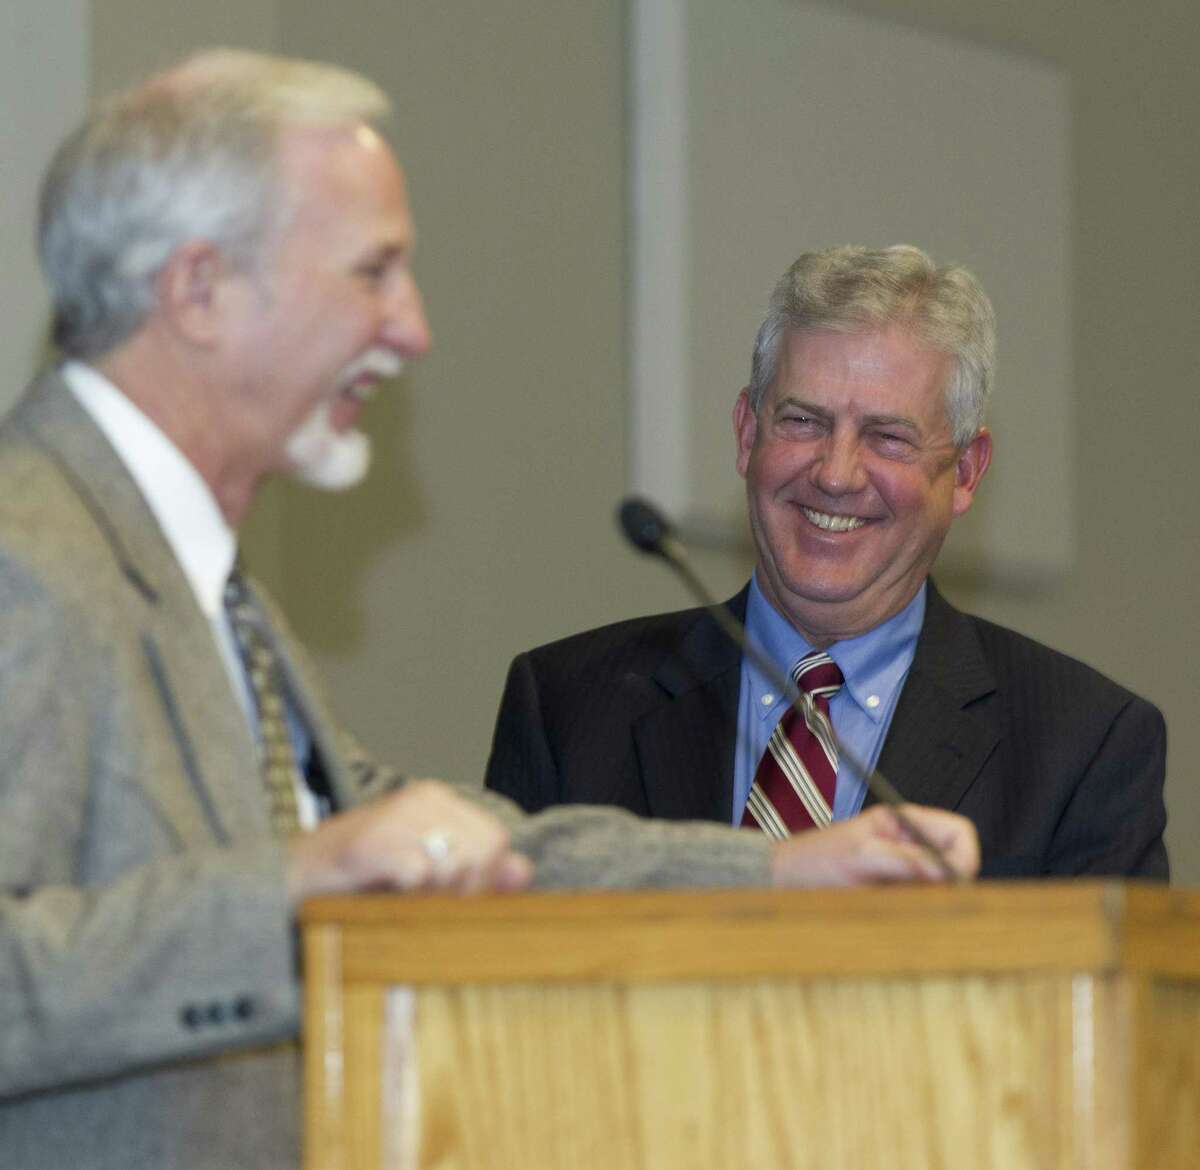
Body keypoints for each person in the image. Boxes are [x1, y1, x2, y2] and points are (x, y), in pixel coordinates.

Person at [0, 53, 978, 1170]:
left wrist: (776, 874)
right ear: (199, 290)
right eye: (371, 273)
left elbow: (456, 854)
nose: (411, 328)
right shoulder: (27, 553)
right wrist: (290, 893)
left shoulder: (215, 593)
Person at [486, 244, 1168, 881]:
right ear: (747, 433)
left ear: (965, 471)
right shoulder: (567, 709)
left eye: (888, 437)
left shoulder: (1083, 745)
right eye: (803, 422)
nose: (837, 474)